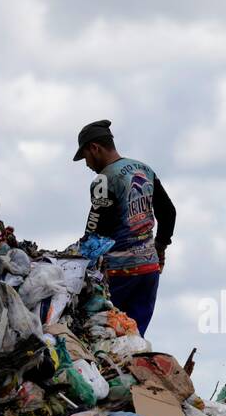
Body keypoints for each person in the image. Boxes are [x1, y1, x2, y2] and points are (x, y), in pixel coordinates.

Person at [73, 119, 175, 336]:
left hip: (119, 274)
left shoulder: (104, 179)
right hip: (149, 270)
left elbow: (96, 231)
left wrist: (75, 260)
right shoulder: (145, 170)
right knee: (134, 338)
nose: (87, 164)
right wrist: (160, 248)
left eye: (85, 157)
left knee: (105, 337)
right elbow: (169, 212)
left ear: (95, 148)